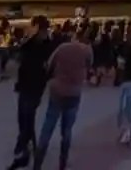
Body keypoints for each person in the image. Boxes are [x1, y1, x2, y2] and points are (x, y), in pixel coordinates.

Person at [33, 24, 92, 170]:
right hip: (74, 93)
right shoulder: (87, 51)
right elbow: (89, 66)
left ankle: (38, 163)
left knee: (48, 127)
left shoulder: (62, 48)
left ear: (74, 37)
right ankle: (63, 162)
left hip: (57, 90)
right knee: (67, 130)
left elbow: (49, 65)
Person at [9, 17, 53, 170]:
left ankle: (23, 146)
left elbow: (49, 67)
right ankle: (28, 144)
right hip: (25, 84)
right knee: (24, 117)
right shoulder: (29, 44)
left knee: (28, 115)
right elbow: (20, 57)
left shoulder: (48, 46)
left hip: (35, 86)